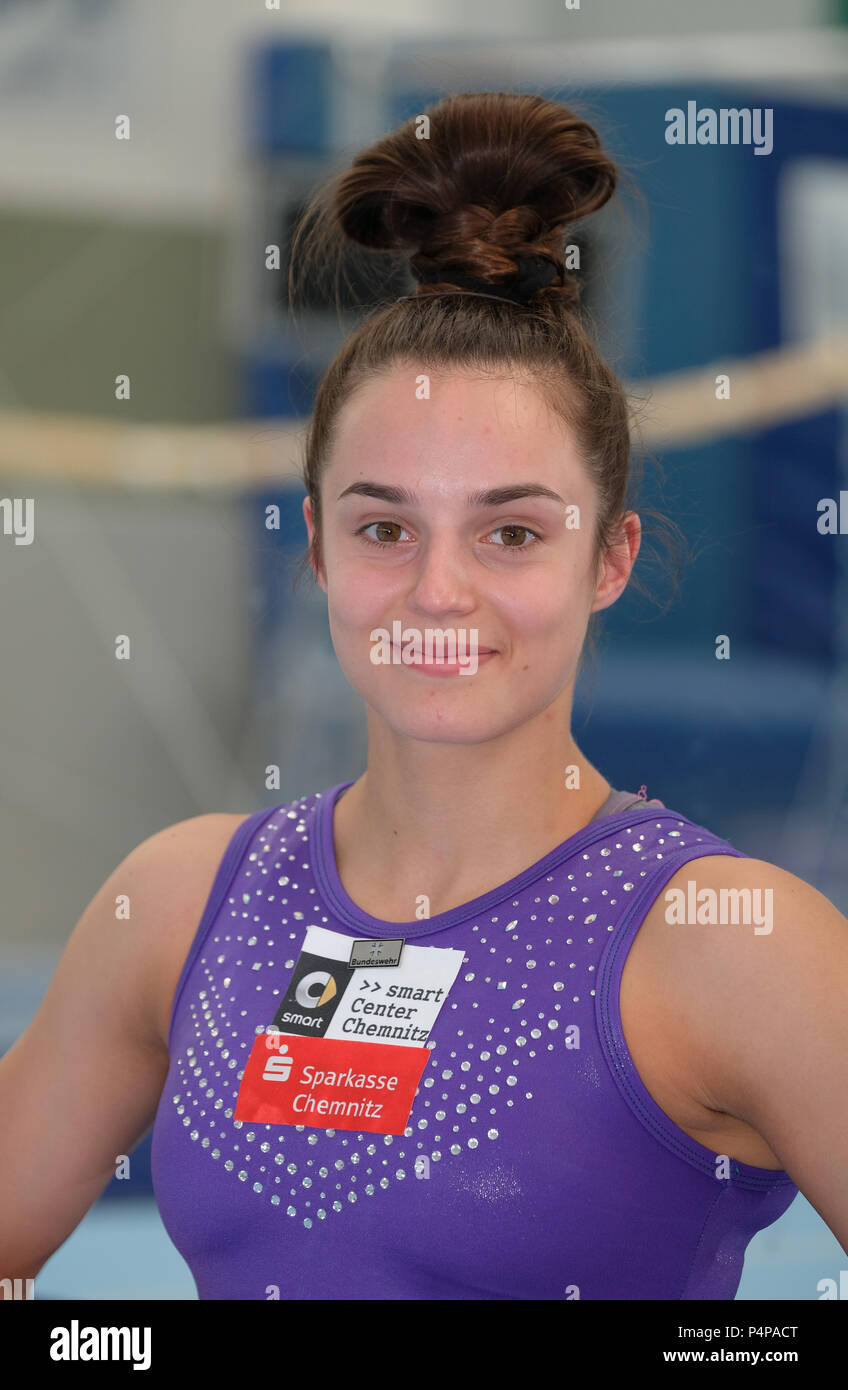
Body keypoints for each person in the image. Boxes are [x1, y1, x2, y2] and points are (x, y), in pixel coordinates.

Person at [2, 91, 846, 1302]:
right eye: (385, 526)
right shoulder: (181, 906)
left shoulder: (728, 949)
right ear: (317, 551)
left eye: (508, 532)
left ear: (607, 558)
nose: (436, 591)